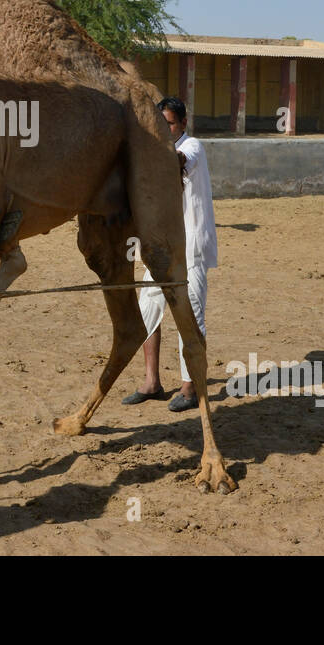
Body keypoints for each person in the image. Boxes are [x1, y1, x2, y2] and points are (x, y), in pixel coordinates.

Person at [121, 96, 218, 412]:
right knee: (147, 310)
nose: (165, 129)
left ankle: (190, 388)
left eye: (170, 124)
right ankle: (152, 382)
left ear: (183, 124)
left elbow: (176, 160)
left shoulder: (193, 147)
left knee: (189, 314)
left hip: (191, 247)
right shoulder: (158, 152)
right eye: (160, 124)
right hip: (163, 247)